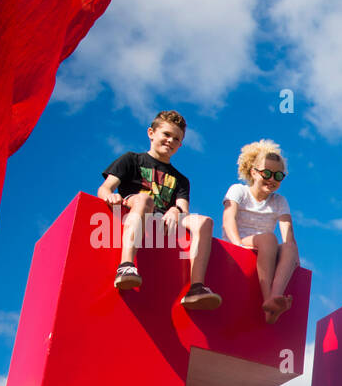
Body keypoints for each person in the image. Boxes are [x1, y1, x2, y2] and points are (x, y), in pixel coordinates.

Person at [98, 109, 220, 309]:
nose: (170, 141)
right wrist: (110, 196)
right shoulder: (132, 159)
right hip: (136, 205)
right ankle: (126, 266)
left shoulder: (181, 179)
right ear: (151, 133)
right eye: (166, 134)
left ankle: (196, 288)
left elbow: (183, 209)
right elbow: (105, 188)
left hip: (165, 217)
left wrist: (175, 211)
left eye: (176, 139)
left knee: (205, 222)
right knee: (145, 200)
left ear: (180, 145)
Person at [221, 140, 300, 324]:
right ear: (253, 172)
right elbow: (228, 218)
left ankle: (275, 298)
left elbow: (288, 235)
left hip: (267, 249)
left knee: (289, 248)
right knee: (269, 238)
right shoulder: (238, 190)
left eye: (278, 176)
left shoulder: (279, 201)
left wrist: (294, 260)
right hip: (241, 242)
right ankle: (268, 299)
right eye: (267, 173)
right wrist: (236, 244)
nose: (272, 179)